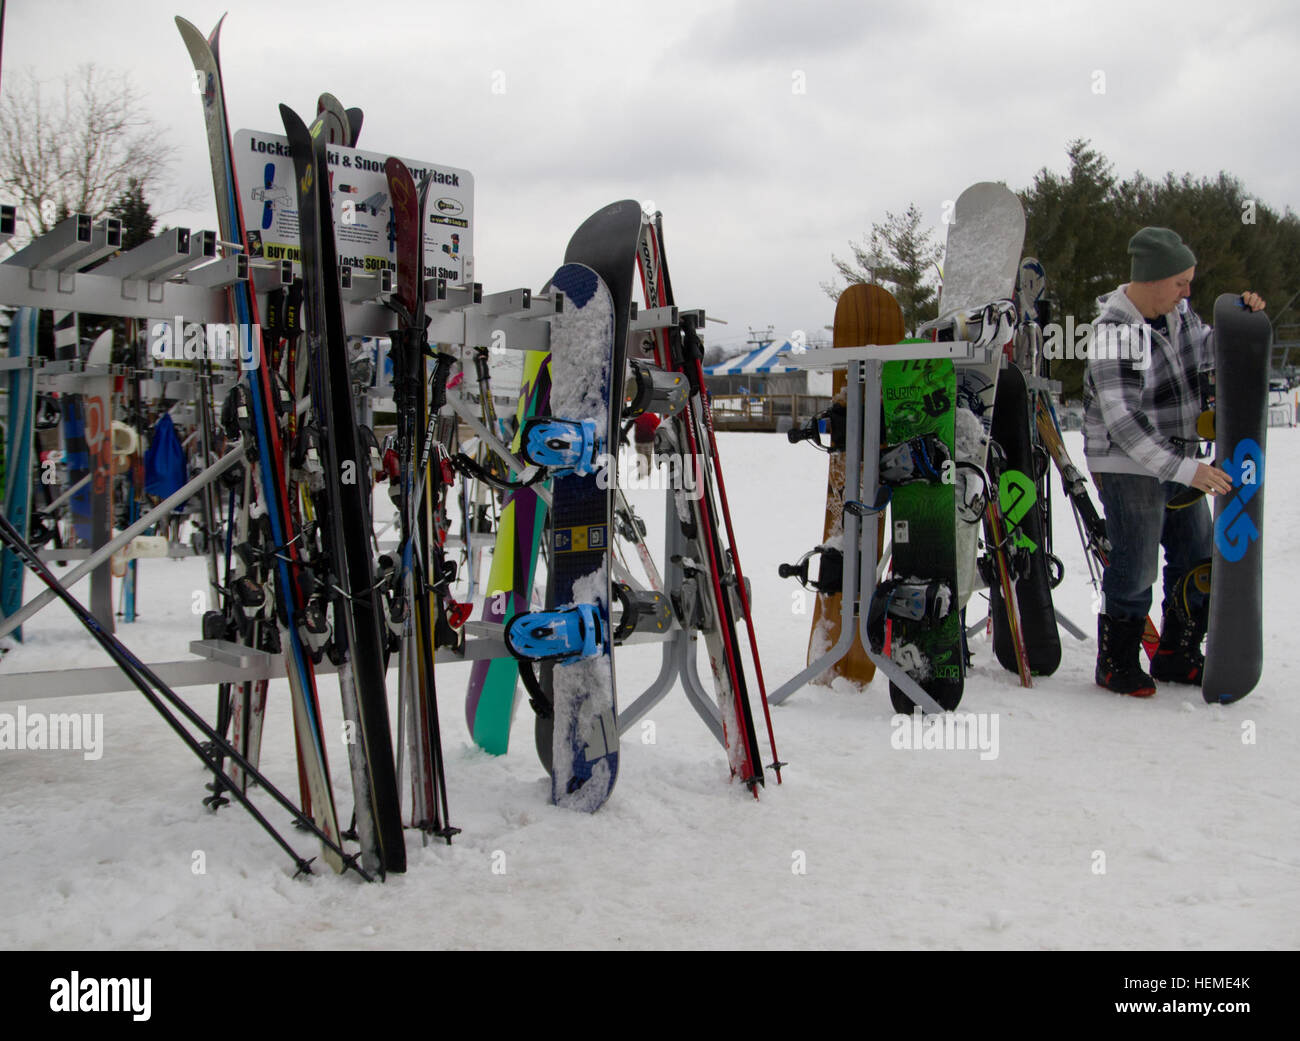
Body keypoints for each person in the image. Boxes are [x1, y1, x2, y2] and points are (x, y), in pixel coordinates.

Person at [1081, 227, 1265, 696]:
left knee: (1197, 551)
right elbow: (1124, 424)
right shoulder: (1112, 334)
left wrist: (1242, 321)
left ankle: (1177, 653)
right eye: (1180, 282)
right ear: (1152, 278)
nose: (1187, 292)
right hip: (1125, 462)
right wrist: (1189, 470)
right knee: (1137, 562)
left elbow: (1209, 348)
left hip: (1179, 456)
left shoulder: (1178, 314)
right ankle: (1116, 662)